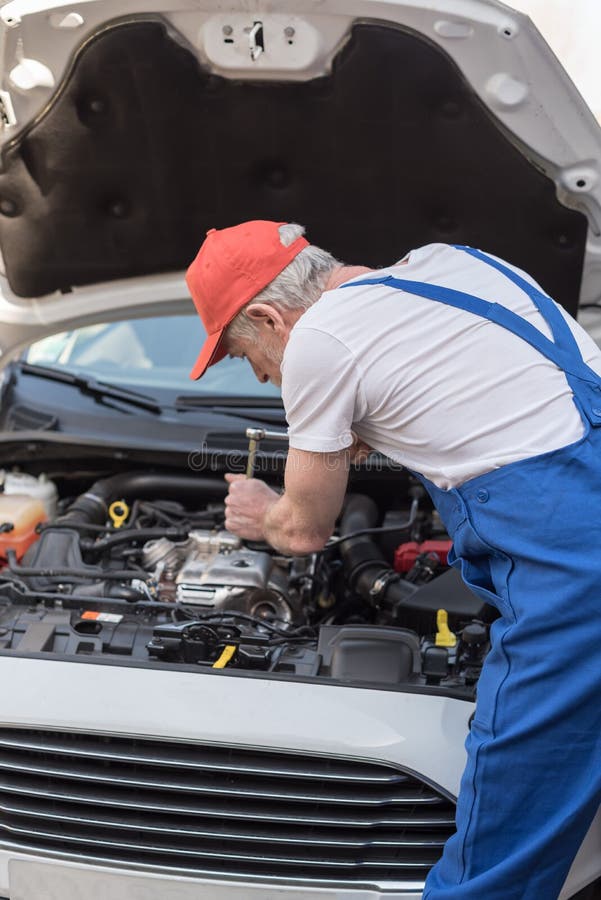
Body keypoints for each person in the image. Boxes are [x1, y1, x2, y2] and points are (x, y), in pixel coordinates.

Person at [185, 219, 601, 899]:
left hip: (573, 563)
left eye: (243, 355)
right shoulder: (456, 260)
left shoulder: (320, 338)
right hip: (579, 494)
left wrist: (262, 512)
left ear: (266, 317)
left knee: (504, 836)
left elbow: (304, 532)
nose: (260, 375)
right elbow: (472, 391)